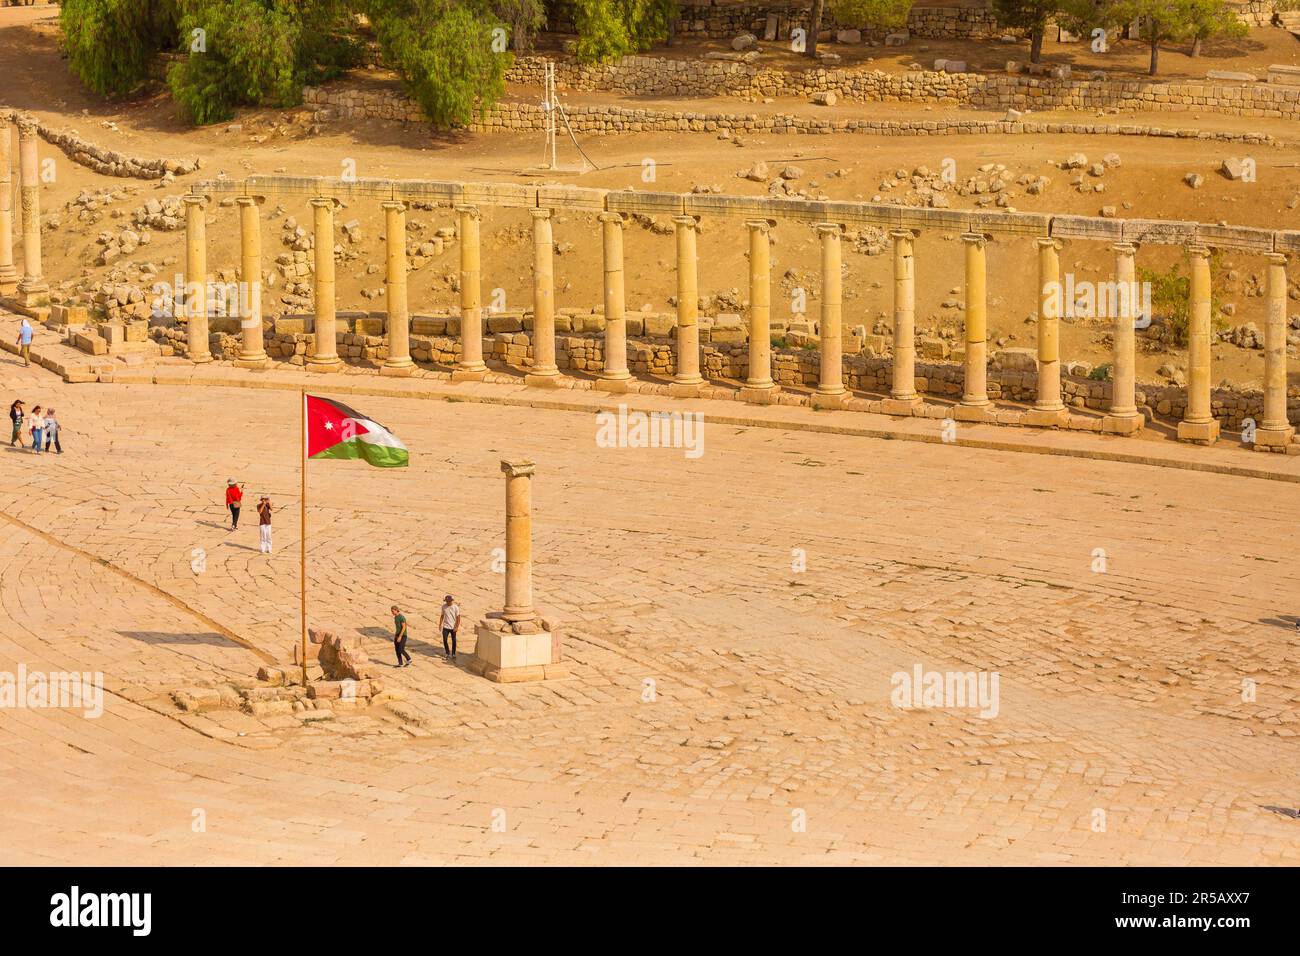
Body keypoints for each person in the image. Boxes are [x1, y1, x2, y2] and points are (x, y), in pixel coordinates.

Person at [440, 594, 460, 662]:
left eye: (448, 601)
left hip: (453, 627)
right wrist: (440, 624)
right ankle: (447, 653)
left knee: (453, 640)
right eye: (446, 601)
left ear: (451, 601)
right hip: (445, 626)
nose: (447, 602)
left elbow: (458, 618)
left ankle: (453, 653)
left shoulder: (455, 607)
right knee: (445, 640)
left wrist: (456, 627)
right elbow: (442, 615)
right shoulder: (443, 606)